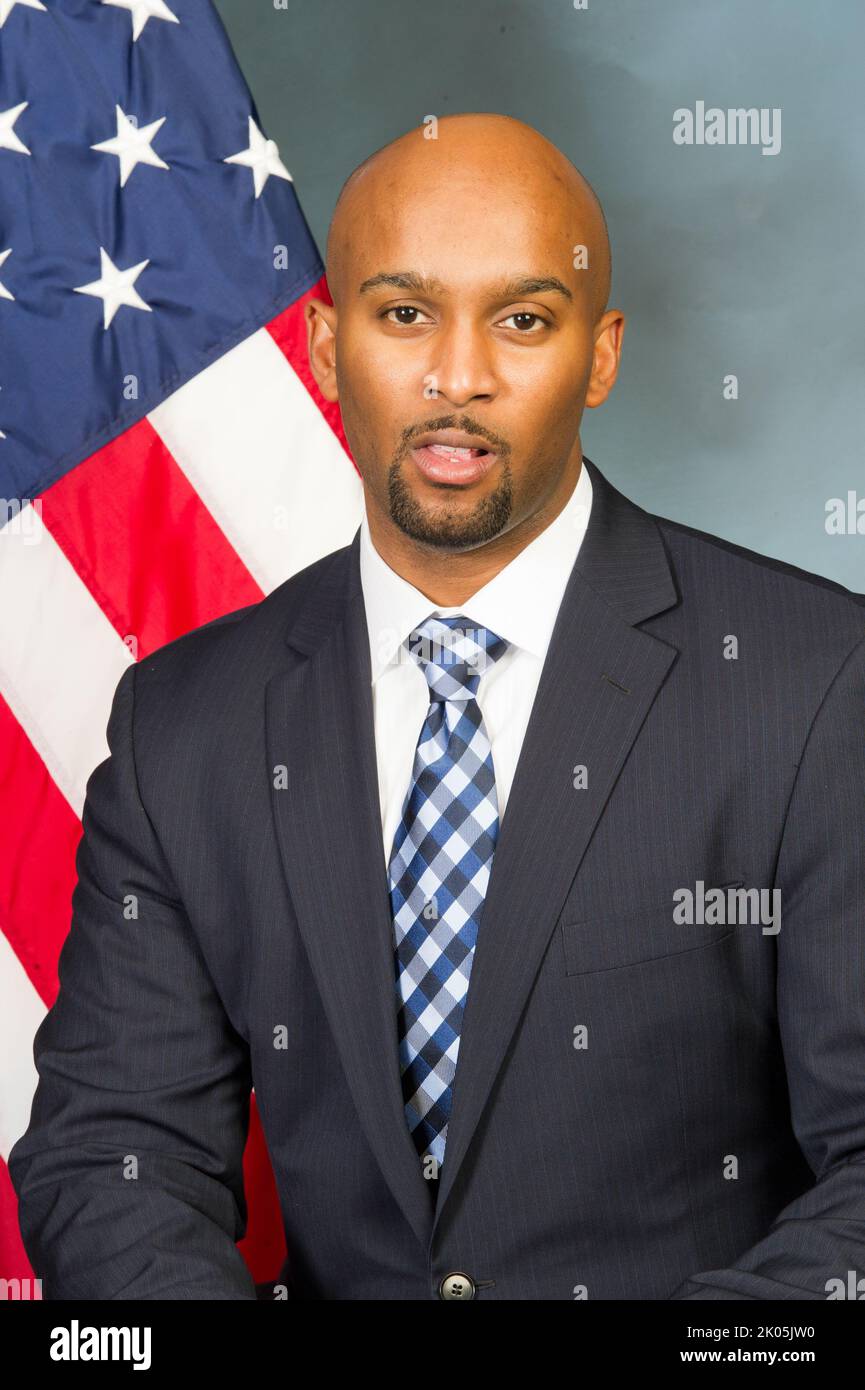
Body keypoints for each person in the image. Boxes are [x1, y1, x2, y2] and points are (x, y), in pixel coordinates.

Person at [10, 113, 865, 1301]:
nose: (456, 376)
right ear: (322, 344)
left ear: (602, 356)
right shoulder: (184, 724)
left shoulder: (814, 683)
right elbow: (113, 1151)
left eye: (521, 320)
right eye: (404, 313)